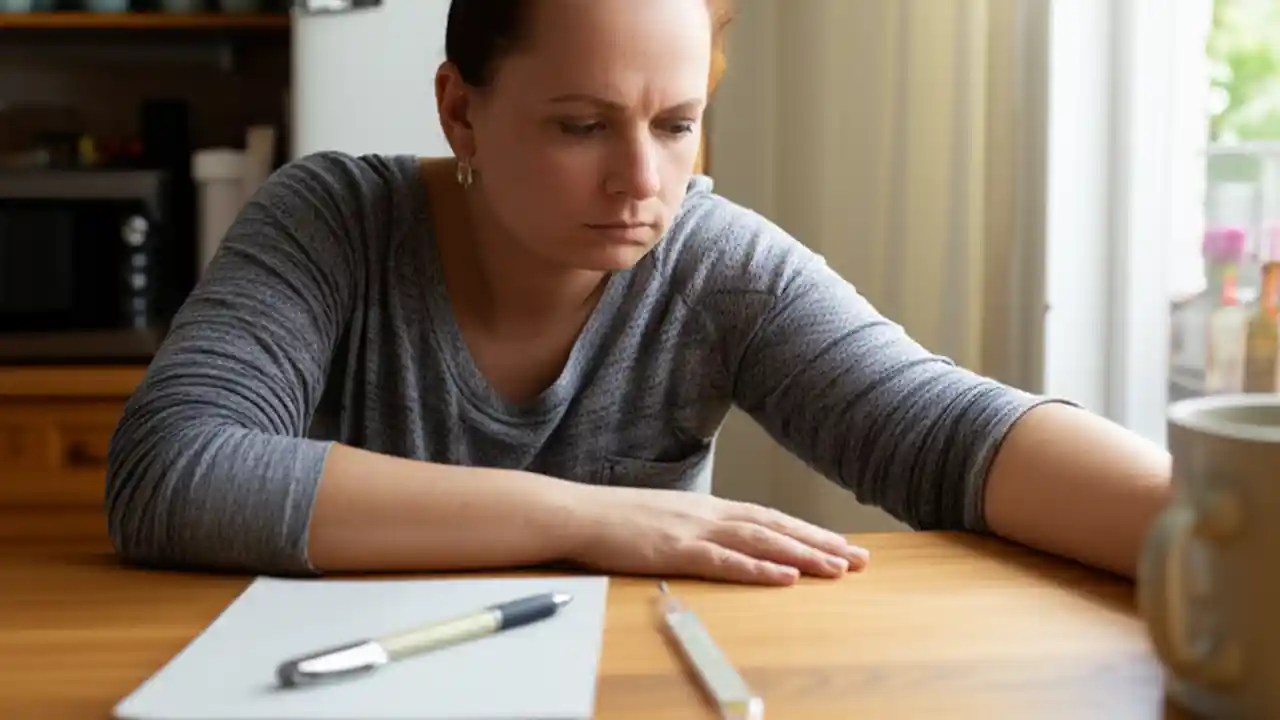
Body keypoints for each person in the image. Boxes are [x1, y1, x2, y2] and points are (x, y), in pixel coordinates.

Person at [105, 0, 1171, 585]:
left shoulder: (712, 262)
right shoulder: (331, 223)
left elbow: (945, 433)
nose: (643, 183)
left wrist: (1223, 525)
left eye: (672, 123)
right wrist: (588, 519)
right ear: (460, 113)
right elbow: (176, 470)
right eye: (580, 126)